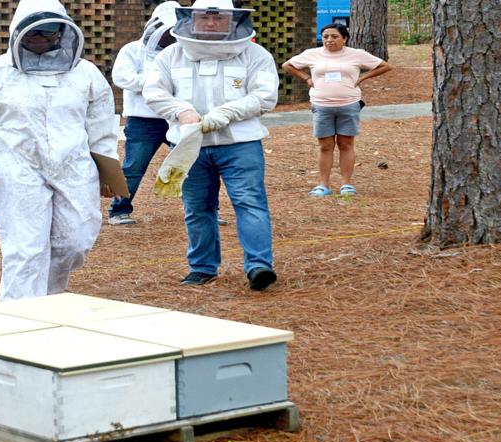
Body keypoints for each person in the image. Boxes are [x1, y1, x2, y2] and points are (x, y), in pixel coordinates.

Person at [0, 0, 118, 300]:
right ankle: (18, 320)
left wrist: (109, 171)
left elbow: (102, 129)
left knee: (75, 241)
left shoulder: (86, 74)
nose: (40, 39)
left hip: (74, 166)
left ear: (61, 32)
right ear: (17, 33)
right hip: (15, 167)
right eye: (34, 33)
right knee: (25, 248)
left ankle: (48, 302)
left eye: (48, 32)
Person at [143, 0, 279, 290]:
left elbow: (265, 95)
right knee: (197, 207)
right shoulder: (171, 55)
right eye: (204, 17)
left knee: (250, 203)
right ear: (190, 20)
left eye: (219, 19)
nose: (210, 23)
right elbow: (153, 92)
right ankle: (202, 267)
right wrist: (180, 110)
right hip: (189, 145)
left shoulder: (255, 54)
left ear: (232, 21)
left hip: (240, 145)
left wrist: (229, 112)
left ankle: (259, 267)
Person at [284, 24, 391, 198]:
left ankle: (347, 184)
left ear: (344, 38)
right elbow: (288, 65)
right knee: (325, 146)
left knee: (345, 144)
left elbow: (385, 66)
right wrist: (306, 78)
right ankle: (323, 185)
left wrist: (363, 77)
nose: (329, 40)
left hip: (349, 105)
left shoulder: (356, 54)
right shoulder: (312, 54)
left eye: (334, 37)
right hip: (321, 105)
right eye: (325, 36)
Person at [105, 1, 179, 226]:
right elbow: (122, 77)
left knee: (194, 163)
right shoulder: (132, 50)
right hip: (143, 121)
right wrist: (156, 82)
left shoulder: (182, 52)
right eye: (166, 31)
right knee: (133, 168)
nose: (169, 36)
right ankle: (119, 210)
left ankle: (207, 210)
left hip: (177, 117)